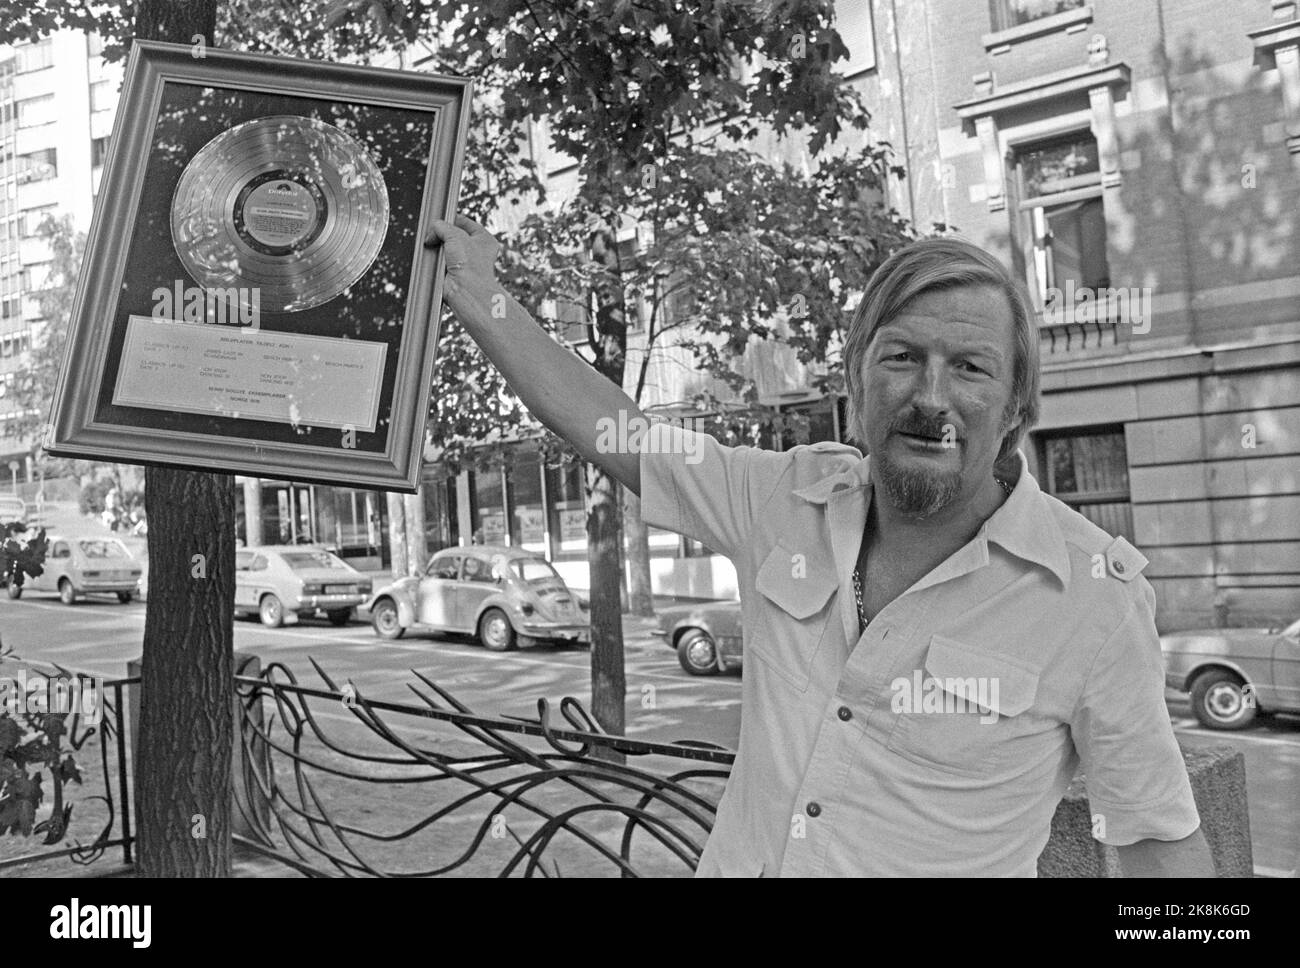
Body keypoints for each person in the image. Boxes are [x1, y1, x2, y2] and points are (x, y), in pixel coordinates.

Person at [426, 215, 1215, 878]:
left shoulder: (1092, 599)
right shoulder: (781, 502)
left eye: (969, 368)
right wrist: (479, 292)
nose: (930, 397)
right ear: (855, 376)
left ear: (1015, 407)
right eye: (902, 357)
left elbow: (1157, 841)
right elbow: (616, 432)